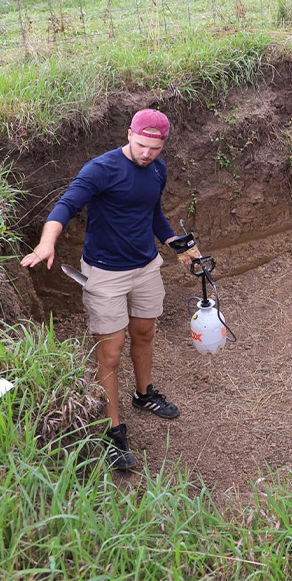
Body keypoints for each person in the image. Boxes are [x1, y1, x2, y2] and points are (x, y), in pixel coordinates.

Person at [20, 109, 201, 470]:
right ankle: (112, 430)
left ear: (163, 144)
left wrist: (175, 244)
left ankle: (144, 394)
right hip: (105, 274)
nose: (147, 153)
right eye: (141, 145)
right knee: (111, 353)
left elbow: (153, 214)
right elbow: (65, 206)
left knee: (145, 332)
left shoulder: (157, 170)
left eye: (154, 148)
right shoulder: (101, 169)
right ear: (128, 133)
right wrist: (47, 242)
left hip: (146, 266)